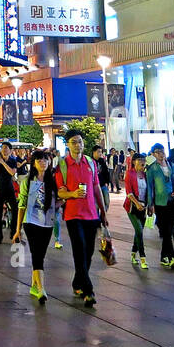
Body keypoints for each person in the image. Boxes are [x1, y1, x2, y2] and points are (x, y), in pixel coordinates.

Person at [58, 130, 108, 306]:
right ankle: (88, 291)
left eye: (79, 142)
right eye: (73, 142)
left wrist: (103, 211)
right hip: (73, 215)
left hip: (91, 214)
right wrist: (73, 193)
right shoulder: (63, 165)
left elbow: (97, 188)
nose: (77, 145)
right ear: (67, 144)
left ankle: (77, 282)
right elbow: (60, 191)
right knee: (79, 250)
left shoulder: (91, 163)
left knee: (88, 253)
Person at [12, 149, 58, 304]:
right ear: (33, 163)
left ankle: (33, 285)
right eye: (39, 160)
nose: (42, 163)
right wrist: (18, 230)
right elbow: (21, 205)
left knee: (41, 254)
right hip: (30, 222)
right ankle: (41, 289)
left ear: (49, 162)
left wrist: (69, 198)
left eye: (45, 160)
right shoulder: (27, 181)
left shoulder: (53, 181)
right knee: (37, 254)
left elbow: (56, 202)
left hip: (47, 223)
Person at [144, 143, 174, 269]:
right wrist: (150, 204)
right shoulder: (151, 169)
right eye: (157, 152)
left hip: (171, 201)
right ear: (153, 154)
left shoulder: (172, 166)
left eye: (162, 151)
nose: (161, 154)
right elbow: (150, 188)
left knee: (168, 231)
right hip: (159, 203)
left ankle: (164, 257)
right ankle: (172, 258)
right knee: (165, 231)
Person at [0, 142, 20, 244]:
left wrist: (3, 162)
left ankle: (13, 232)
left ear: (10, 150)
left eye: (6, 148)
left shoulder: (13, 160)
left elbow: (12, 172)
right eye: (2, 148)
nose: (4, 150)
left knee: (15, 210)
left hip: (9, 187)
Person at [124, 152, 148, 269]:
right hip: (132, 207)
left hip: (143, 207)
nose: (142, 162)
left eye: (143, 160)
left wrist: (150, 205)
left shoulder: (145, 174)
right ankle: (143, 257)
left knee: (139, 232)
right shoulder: (129, 173)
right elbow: (129, 192)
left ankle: (133, 254)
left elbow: (149, 191)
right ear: (134, 162)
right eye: (139, 160)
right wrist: (137, 203)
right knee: (138, 230)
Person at [93, 145, 113, 212]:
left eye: (101, 152)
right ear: (94, 152)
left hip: (103, 185)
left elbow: (106, 172)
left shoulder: (102, 161)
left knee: (107, 202)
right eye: (98, 152)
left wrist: (107, 182)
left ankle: (103, 215)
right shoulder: (90, 161)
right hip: (94, 186)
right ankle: (97, 219)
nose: (100, 153)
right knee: (96, 205)